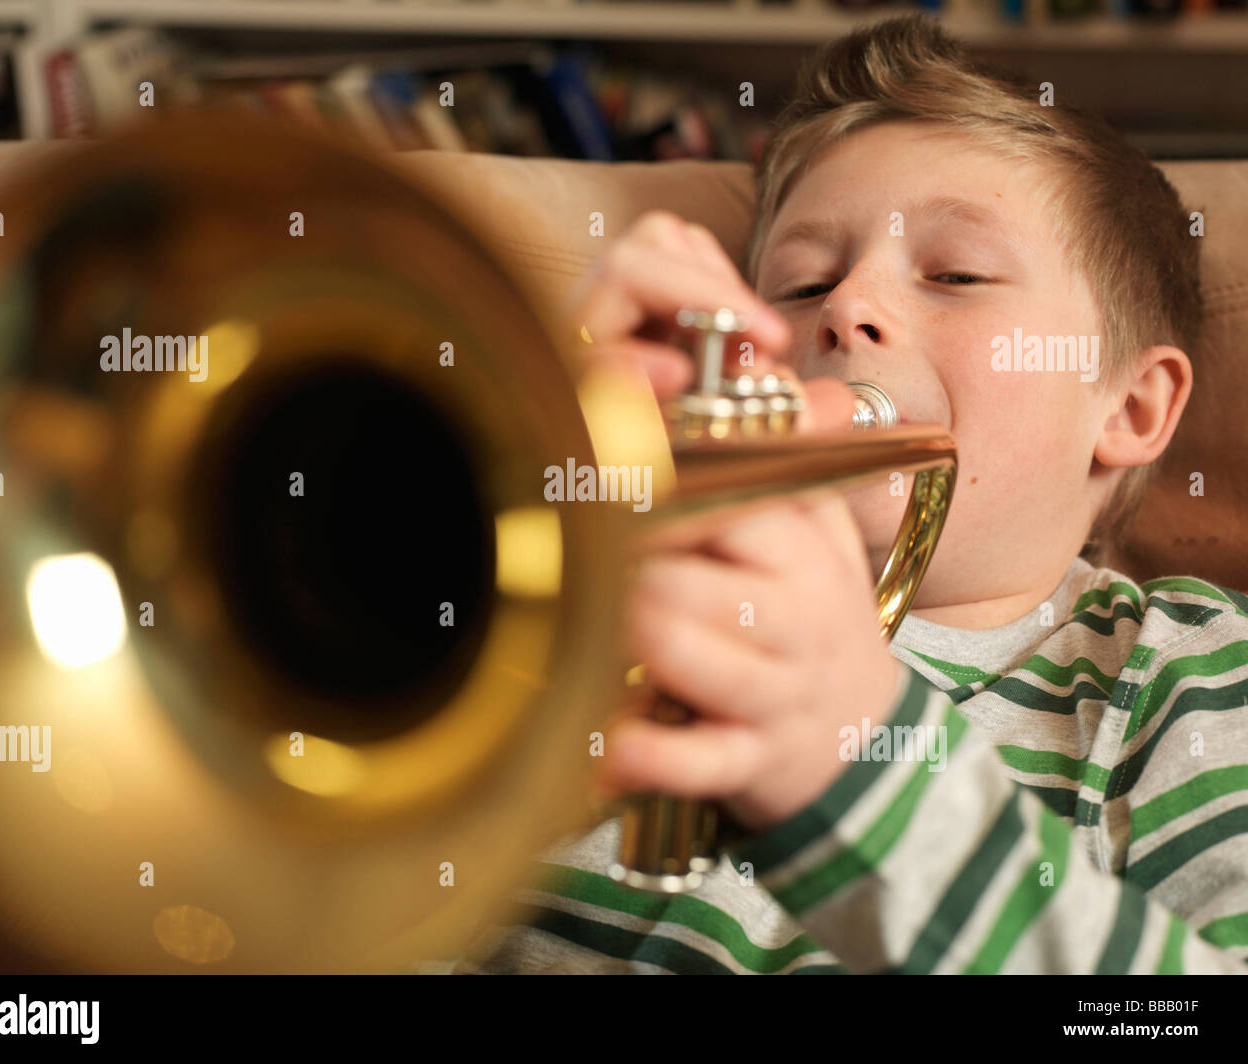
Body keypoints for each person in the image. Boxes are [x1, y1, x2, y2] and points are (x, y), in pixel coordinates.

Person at [451, 13, 1248, 973]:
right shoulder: (574, 604)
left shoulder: (1198, 675)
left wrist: (856, 770)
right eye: (798, 285)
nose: (846, 307)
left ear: (1130, 407)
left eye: (956, 273)